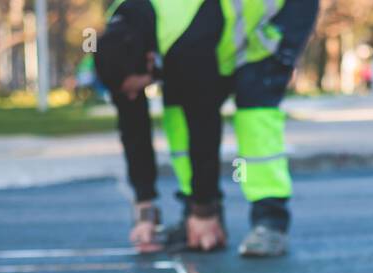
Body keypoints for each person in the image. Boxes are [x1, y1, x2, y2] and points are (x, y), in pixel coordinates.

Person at [94, 0, 318, 257]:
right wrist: (145, 208)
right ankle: (196, 213)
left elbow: (204, 123)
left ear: (149, 59)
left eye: (138, 88)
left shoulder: (183, 40)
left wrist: (204, 210)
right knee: (176, 113)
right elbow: (133, 129)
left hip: (278, 15)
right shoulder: (120, 40)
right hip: (216, 31)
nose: (134, 97)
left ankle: (269, 222)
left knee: (253, 109)